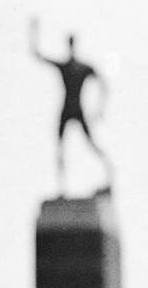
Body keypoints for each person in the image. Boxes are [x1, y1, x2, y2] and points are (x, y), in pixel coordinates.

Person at [29, 20, 112, 194]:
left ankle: (108, 174)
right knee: (61, 148)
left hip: (74, 109)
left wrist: (100, 109)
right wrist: (34, 31)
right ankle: (62, 187)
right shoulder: (70, 66)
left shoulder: (79, 67)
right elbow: (37, 55)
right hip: (68, 109)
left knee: (86, 145)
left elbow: (104, 84)